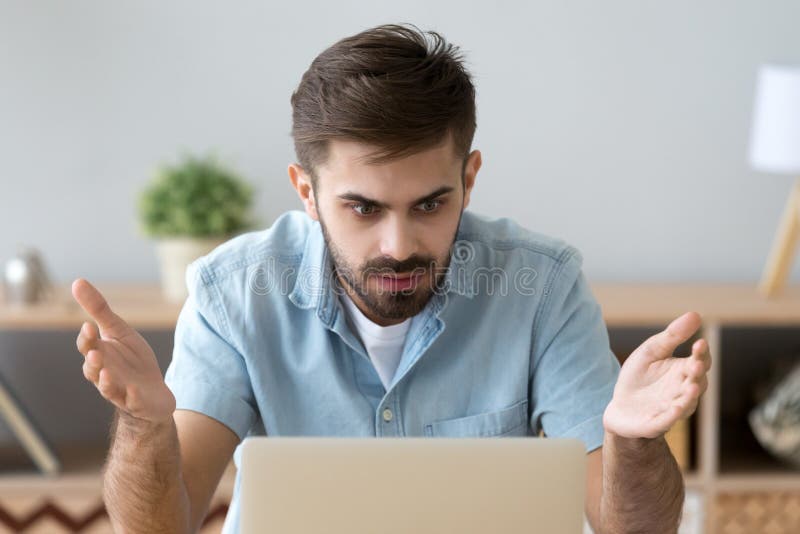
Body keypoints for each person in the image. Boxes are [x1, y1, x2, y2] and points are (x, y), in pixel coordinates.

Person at [72, 23, 711, 534]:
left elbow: (634, 531)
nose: (399, 246)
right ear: (307, 191)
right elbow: (161, 527)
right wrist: (145, 427)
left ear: (469, 179)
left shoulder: (541, 286)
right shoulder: (235, 293)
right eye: (363, 208)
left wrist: (630, 443)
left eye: (430, 204)